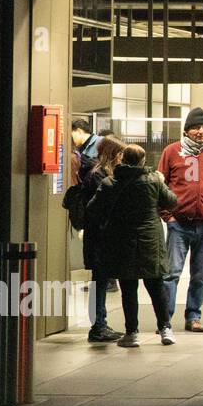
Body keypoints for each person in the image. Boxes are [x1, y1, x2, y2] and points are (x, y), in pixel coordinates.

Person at [85, 144, 178, 348]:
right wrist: (162, 183)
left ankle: (132, 333)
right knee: (156, 286)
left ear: (122, 159)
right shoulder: (154, 180)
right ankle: (165, 329)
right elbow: (172, 202)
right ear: (143, 161)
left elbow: (92, 208)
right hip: (150, 242)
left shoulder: (110, 183)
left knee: (129, 288)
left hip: (122, 241)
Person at [157, 107, 203, 332]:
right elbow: (160, 184)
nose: (201, 131)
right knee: (172, 273)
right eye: (195, 128)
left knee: (200, 275)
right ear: (186, 131)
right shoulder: (171, 151)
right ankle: (165, 319)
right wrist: (168, 217)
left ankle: (193, 316)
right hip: (178, 224)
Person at [63, 135, 125, 342]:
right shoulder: (99, 176)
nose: (122, 158)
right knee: (99, 282)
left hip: (97, 236)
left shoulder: (95, 173)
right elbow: (105, 206)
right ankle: (98, 325)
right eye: (120, 153)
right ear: (113, 154)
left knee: (99, 281)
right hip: (100, 237)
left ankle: (99, 324)